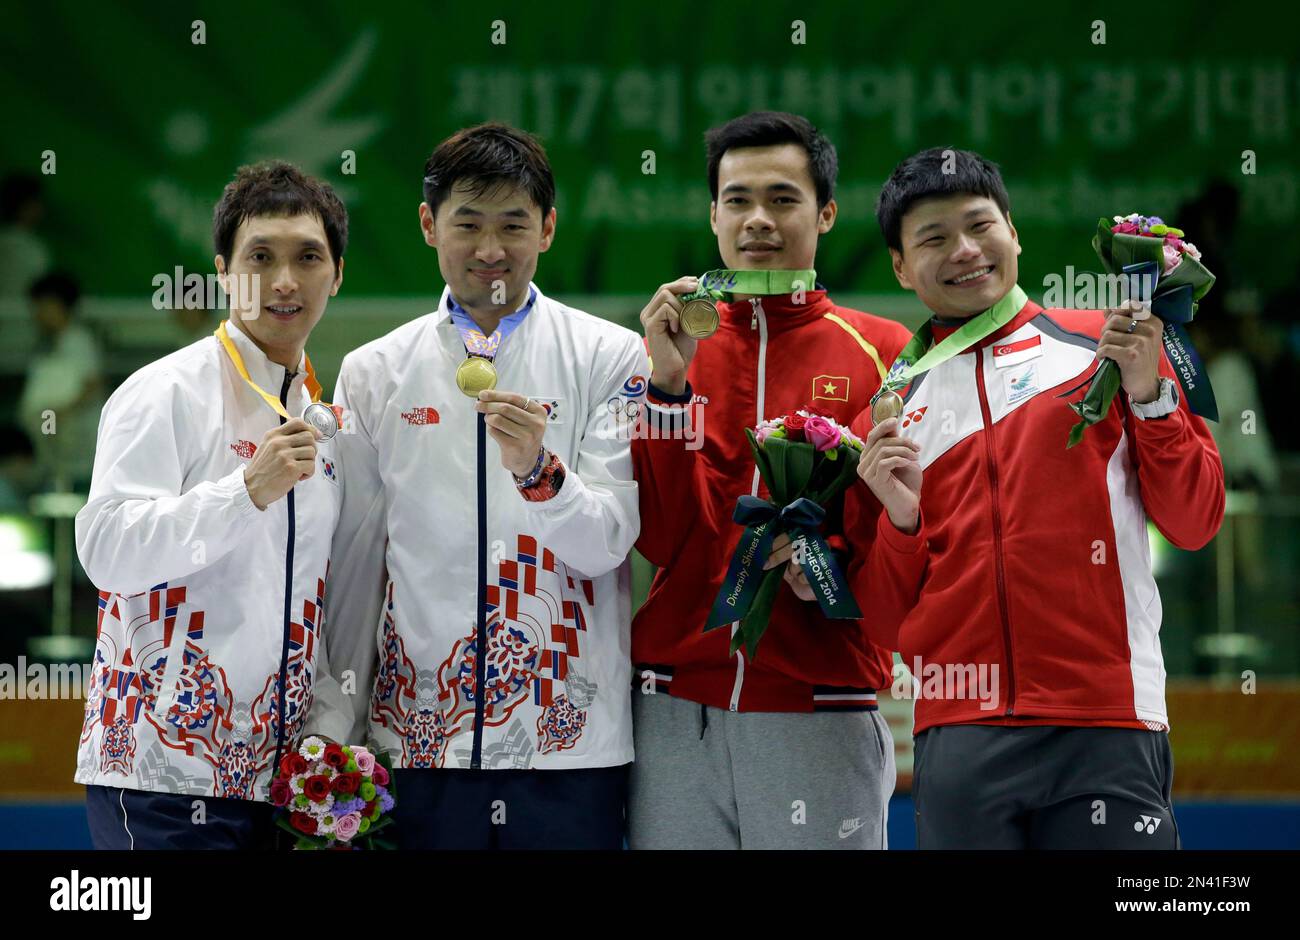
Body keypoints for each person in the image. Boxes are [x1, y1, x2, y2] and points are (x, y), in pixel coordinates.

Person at [846, 147, 1225, 848]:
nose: (963, 250)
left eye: (979, 225)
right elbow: (890, 629)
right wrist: (900, 522)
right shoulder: (894, 409)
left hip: (1106, 722)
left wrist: (1150, 399)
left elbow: (1196, 520)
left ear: (1013, 233)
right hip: (960, 734)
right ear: (901, 267)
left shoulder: (1111, 348)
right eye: (932, 238)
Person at [308, 123, 647, 850]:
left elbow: (610, 540)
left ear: (549, 229)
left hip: (568, 744)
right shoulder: (373, 372)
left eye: (513, 225)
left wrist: (539, 472)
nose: (490, 249)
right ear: (429, 226)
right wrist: (335, 723)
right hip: (419, 743)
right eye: (468, 223)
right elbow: (358, 566)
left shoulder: (611, 357)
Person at [628, 112, 911, 849]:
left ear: (825, 213)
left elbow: (908, 535)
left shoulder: (886, 354)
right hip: (673, 706)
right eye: (738, 200)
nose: (759, 219)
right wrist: (666, 383)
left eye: (783, 199)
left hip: (822, 704)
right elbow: (658, 538)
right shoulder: (664, 351)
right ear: (713, 214)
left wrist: (832, 569)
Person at [74, 161, 346, 849]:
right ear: (224, 271)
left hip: (279, 781)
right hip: (162, 773)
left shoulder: (325, 421)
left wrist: (330, 737)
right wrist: (243, 492)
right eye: (261, 257)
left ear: (336, 276)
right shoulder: (163, 392)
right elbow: (105, 549)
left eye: (307, 257)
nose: (284, 281)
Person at [17, 271, 103, 490]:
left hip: (79, 447)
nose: (38, 314)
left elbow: (91, 386)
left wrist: (56, 415)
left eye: (43, 306)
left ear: (59, 306)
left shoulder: (78, 340)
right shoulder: (47, 344)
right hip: (56, 447)